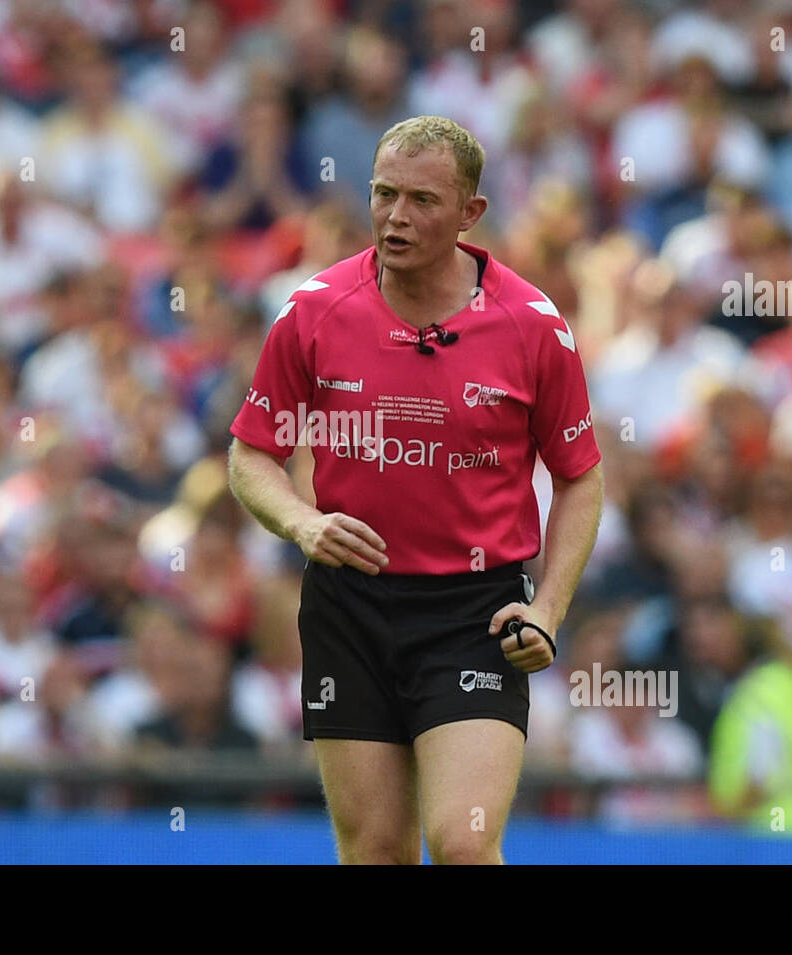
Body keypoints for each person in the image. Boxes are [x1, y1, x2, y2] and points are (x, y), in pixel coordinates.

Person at [227, 115, 604, 864]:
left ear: (471, 214)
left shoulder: (531, 325)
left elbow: (581, 476)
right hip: (350, 603)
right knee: (375, 851)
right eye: (384, 194)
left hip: (475, 610)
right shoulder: (313, 311)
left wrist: (550, 608)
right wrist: (302, 524)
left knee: (462, 842)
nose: (397, 217)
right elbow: (250, 457)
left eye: (422, 201)